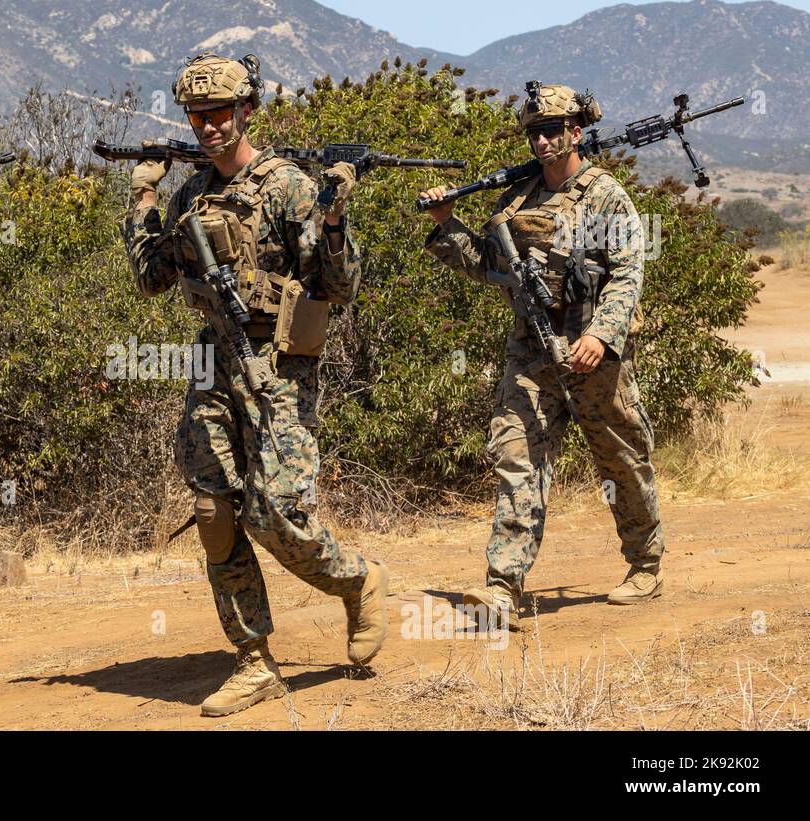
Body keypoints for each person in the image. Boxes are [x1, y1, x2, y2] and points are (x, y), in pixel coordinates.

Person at [123, 53, 387, 717]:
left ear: (247, 111)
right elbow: (151, 277)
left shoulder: (288, 186)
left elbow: (340, 287)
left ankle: (356, 580)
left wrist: (332, 219)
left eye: (220, 112)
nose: (209, 126)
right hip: (212, 365)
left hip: (279, 370)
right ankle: (252, 659)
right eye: (196, 115)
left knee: (278, 516)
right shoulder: (193, 195)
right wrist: (145, 199)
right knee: (214, 512)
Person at [419, 83, 666, 630]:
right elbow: (488, 266)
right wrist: (447, 225)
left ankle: (645, 563)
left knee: (620, 461)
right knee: (517, 460)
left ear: (576, 132)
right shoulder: (517, 198)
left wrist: (602, 335)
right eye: (535, 131)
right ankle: (502, 586)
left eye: (553, 129)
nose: (543, 140)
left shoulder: (603, 195)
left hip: (591, 356)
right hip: (531, 354)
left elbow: (628, 271)